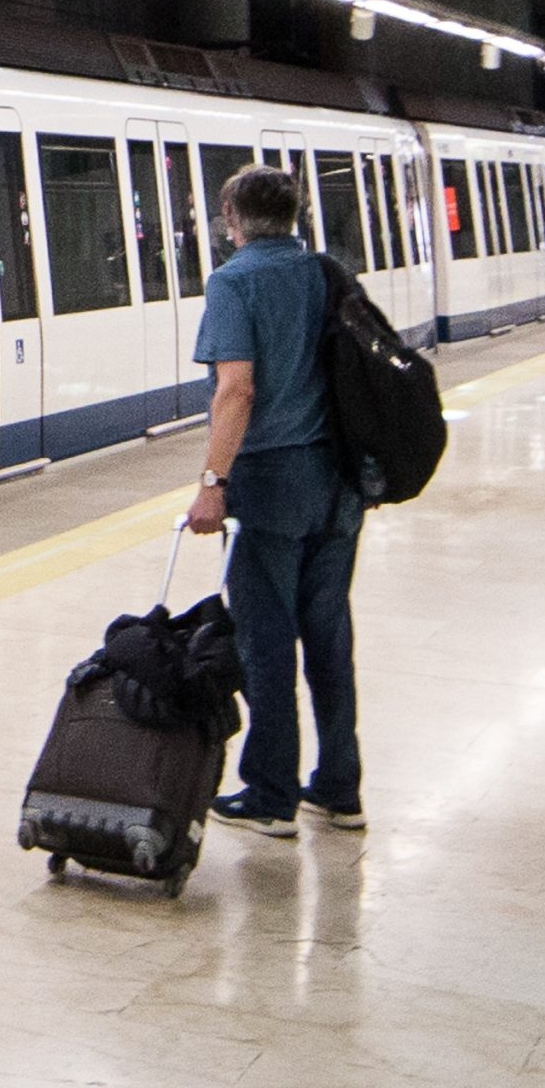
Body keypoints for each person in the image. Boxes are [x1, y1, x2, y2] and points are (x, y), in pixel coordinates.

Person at [186, 164, 366, 837]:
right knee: (328, 635)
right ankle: (340, 786)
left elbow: (237, 389)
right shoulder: (326, 272)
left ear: (231, 215)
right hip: (338, 485)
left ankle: (270, 793)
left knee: (266, 642)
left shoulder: (234, 282)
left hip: (271, 486)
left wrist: (211, 482)